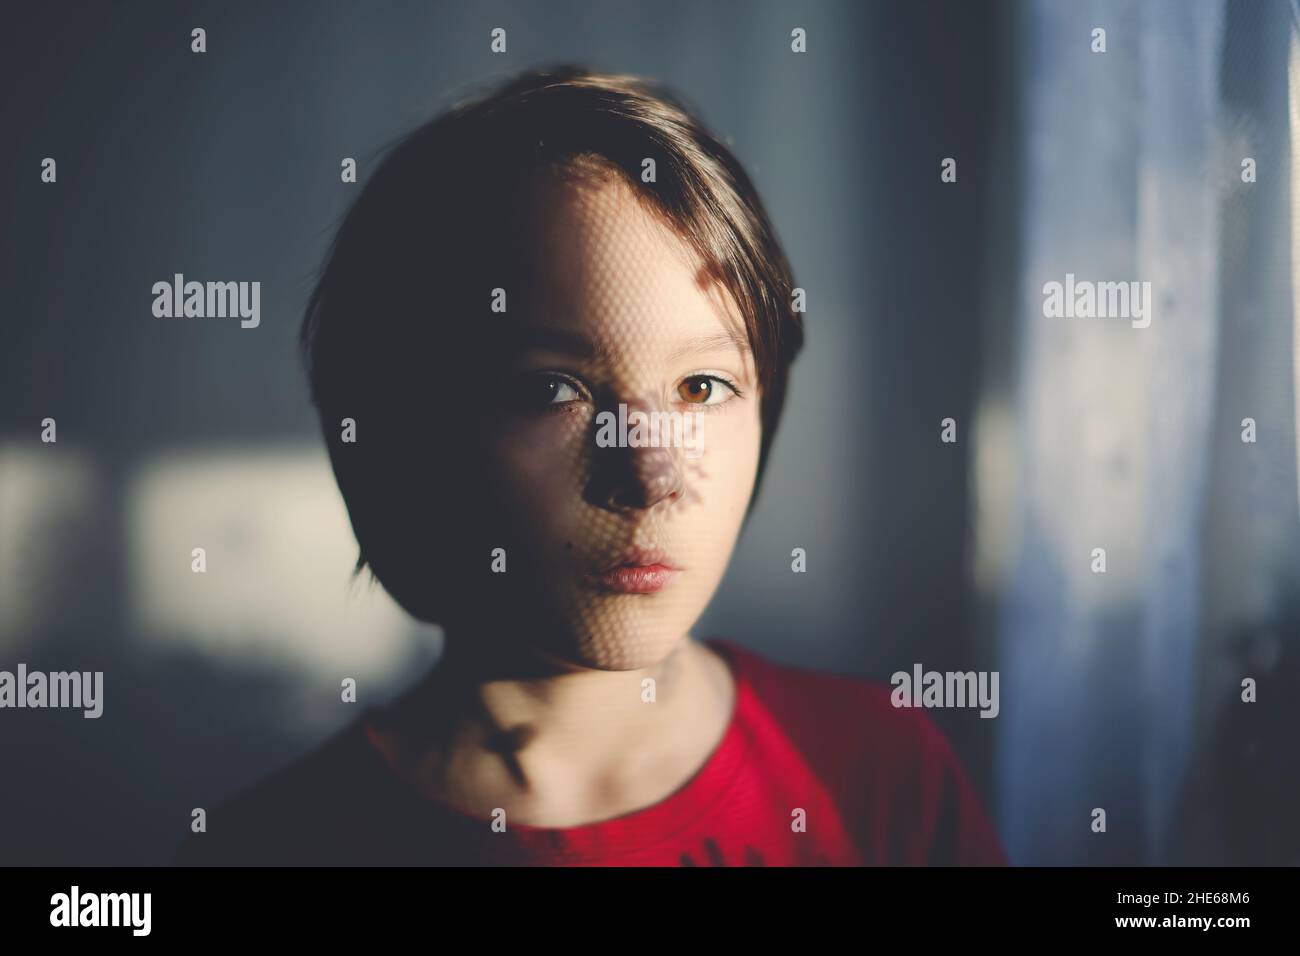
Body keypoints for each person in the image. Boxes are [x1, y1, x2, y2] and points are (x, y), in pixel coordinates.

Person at [174, 66, 1005, 866]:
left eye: (703, 386)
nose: (650, 475)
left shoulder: (875, 771)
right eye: (553, 388)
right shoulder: (279, 848)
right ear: (403, 429)